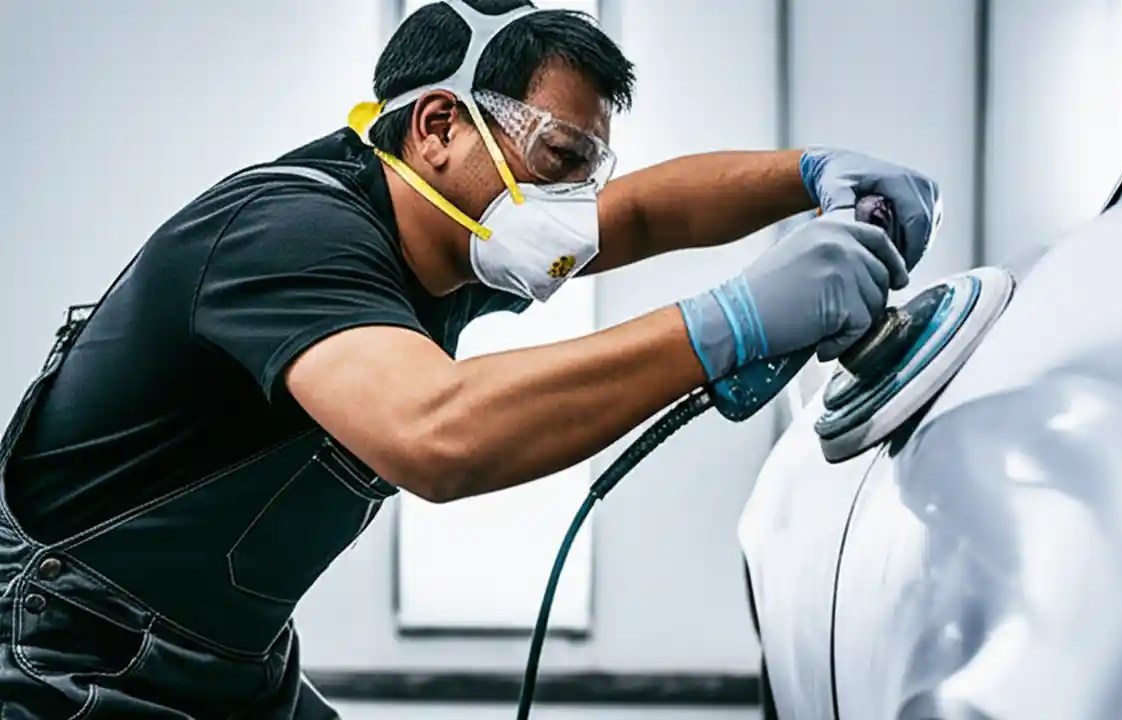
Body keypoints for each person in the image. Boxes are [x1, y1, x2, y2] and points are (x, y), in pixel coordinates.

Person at [0, 0, 940, 717]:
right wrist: (728, 322)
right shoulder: (290, 235)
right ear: (440, 126)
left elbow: (647, 212)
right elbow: (436, 432)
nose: (574, 202)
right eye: (559, 155)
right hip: (65, 649)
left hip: (228, 654)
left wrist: (813, 173)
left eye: (588, 170)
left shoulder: (448, 241)